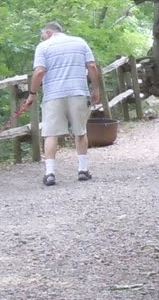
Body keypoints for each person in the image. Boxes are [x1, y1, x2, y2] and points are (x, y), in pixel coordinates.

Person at [29, 20, 103, 186]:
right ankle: (82, 170)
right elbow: (91, 66)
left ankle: (50, 173)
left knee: (51, 134)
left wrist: (32, 93)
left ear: (48, 33)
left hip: (53, 95)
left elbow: (39, 71)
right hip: (78, 92)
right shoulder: (80, 42)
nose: (42, 38)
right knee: (80, 131)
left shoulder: (44, 47)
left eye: (43, 35)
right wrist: (96, 89)